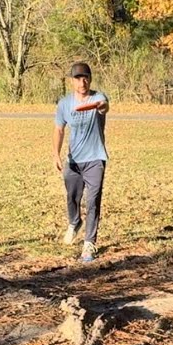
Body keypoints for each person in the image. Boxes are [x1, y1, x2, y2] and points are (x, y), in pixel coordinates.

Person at [54, 61, 110, 262]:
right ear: (72, 81)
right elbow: (59, 129)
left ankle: (89, 243)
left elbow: (104, 107)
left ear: (90, 79)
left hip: (95, 158)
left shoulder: (98, 97)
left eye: (85, 78)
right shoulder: (64, 104)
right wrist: (55, 153)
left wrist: (102, 107)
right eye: (78, 78)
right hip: (74, 161)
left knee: (93, 200)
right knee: (72, 197)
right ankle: (74, 222)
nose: (82, 82)